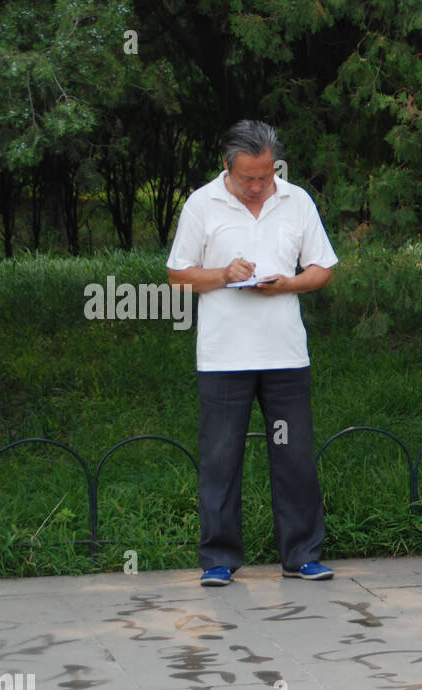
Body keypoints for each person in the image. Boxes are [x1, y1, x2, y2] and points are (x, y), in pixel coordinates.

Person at [166, 120, 338, 586]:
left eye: (266, 176)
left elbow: (323, 268)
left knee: (295, 455)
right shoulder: (203, 203)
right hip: (224, 358)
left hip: (285, 354)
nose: (259, 186)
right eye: (249, 178)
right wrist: (223, 274)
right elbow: (177, 276)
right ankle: (218, 560)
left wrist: (289, 284)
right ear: (228, 167)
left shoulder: (296, 199)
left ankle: (302, 555)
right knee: (221, 457)